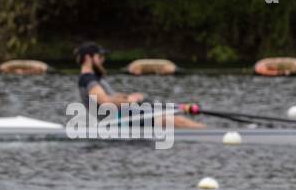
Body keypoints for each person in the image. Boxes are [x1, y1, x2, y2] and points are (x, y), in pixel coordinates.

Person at [75, 42, 203, 131]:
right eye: (99, 57)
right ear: (88, 58)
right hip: (118, 119)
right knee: (169, 119)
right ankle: (209, 134)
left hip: (124, 115)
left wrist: (128, 97)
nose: (103, 60)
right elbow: (104, 101)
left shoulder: (94, 79)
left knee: (171, 115)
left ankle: (204, 131)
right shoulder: (88, 79)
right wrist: (129, 101)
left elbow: (110, 97)